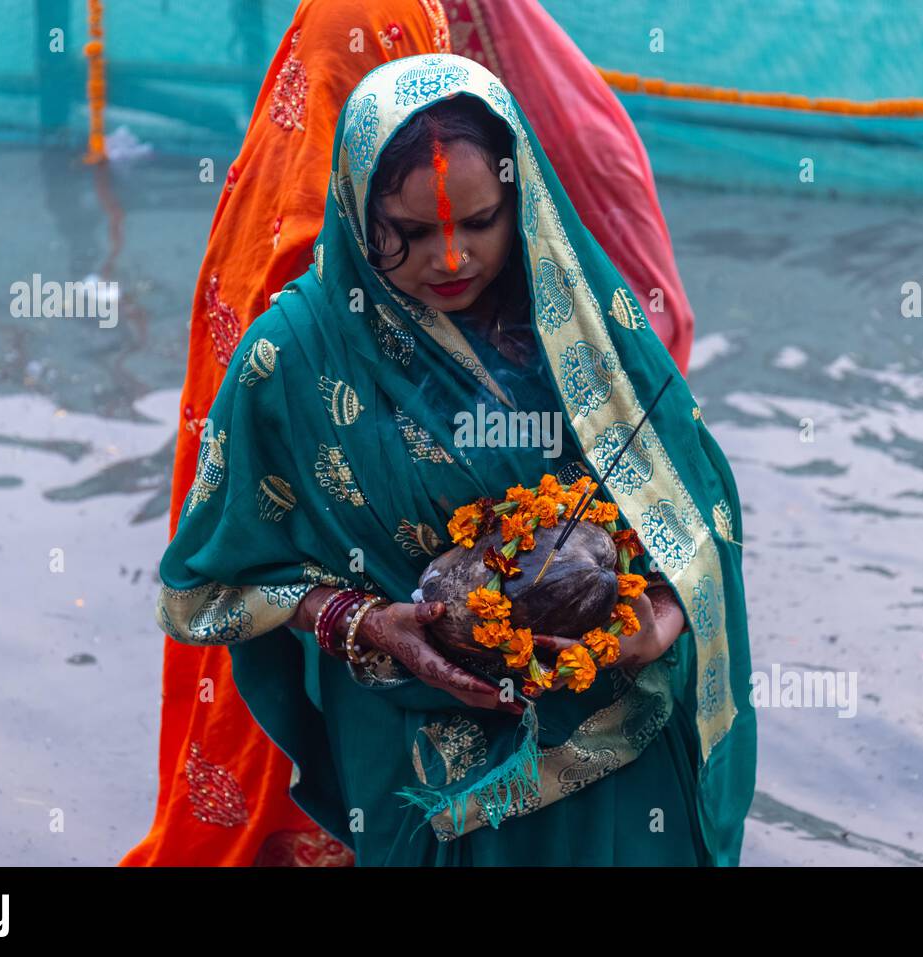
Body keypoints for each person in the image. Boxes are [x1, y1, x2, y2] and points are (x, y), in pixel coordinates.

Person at [125, 0, 697, 867]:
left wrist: (653, 624)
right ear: (355, 207)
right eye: (412, 233)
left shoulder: (578, 326)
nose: (454, 260)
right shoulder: (290, 355)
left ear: (521, 194)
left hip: (599, 756)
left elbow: (697, 516)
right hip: (408, 765)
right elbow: (202, 588)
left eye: (479, 223)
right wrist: (359, 622)